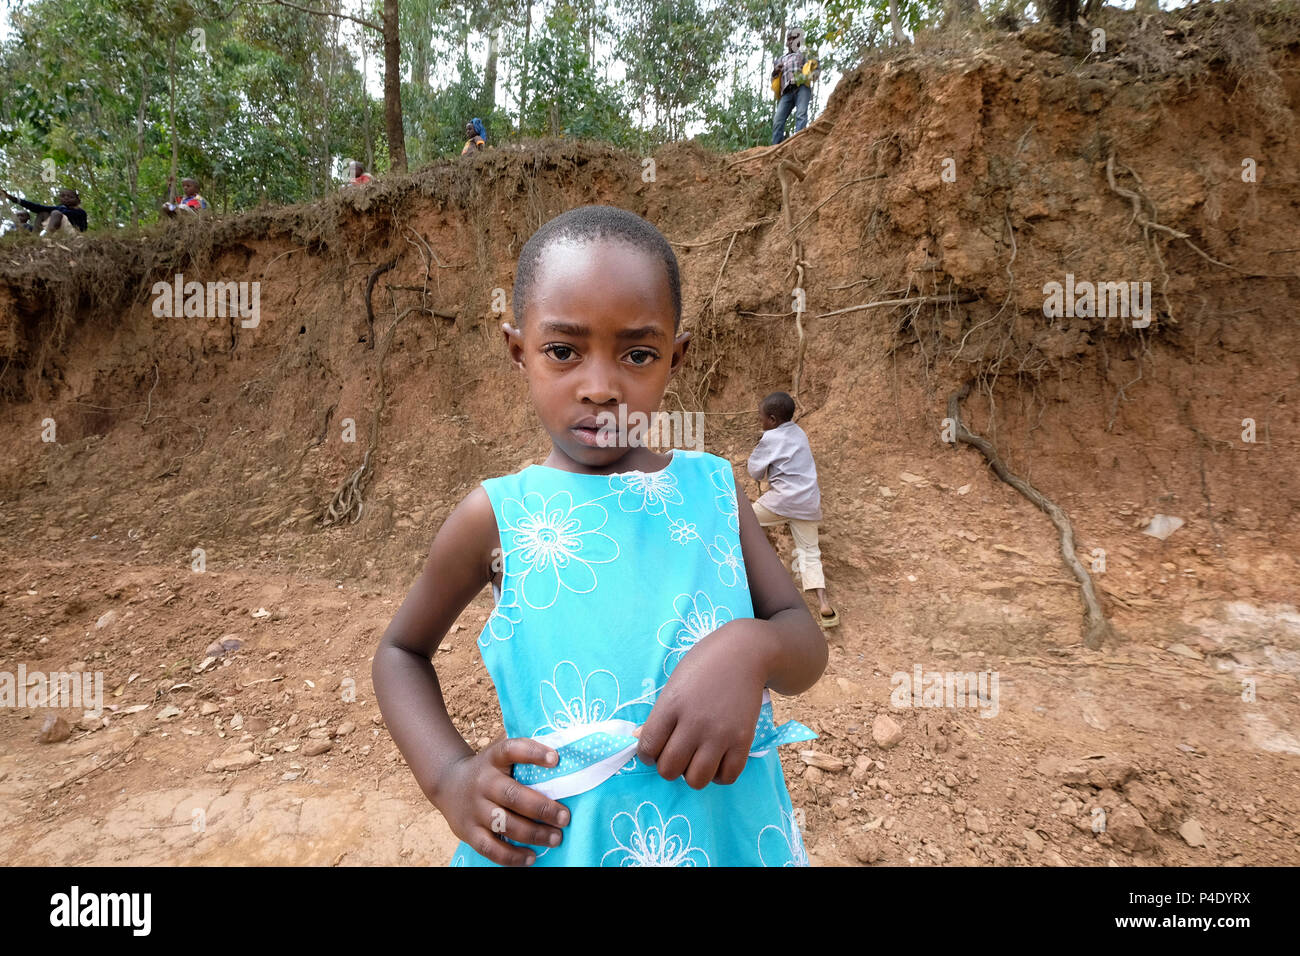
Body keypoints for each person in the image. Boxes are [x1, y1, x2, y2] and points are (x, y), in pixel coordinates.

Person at [372, 205, 827, 867]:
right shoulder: (498, 516)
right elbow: (399, 653)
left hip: (728, 834)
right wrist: (449, 778)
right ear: (518, 350)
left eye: (637, 355)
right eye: (563, 351)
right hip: (567, 845)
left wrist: (752, 644)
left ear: (676, 358)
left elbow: (804, 647)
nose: (600, 387)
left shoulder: (712, 490)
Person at [747, 392, 838, 627]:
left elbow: (754, 472)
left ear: (774, 419)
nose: (761, 422)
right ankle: (823, 603)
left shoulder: (770, 438)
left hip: (782, 501)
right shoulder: (799, 433)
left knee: (744, 519)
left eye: (762, 418)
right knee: (809, 552)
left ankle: (750, 577)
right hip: (808, 503)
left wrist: (762, 446)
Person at [769, 27, 819, 145]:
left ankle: (798, 144)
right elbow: (774, 79)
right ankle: (775, 147)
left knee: (801, 114)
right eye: (789, 39)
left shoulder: (804, 53)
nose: (791, 41)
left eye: (794, 38)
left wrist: (814, 74)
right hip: (786, 91)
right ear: (787, 42)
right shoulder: (781, 59)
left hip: (802, 87)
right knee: (777, 120)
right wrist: (775, 71)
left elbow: (815, 66)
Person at [2, 187, 87, 235]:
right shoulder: (60, 208)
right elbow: (37, 207)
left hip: (73, 233)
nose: (66, 198)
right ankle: (34, 237)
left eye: (70, 197)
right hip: (59, 231)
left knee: (55, 213)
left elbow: (83, 228)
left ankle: (47, 237)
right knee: (42, 212)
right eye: (63, 196)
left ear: (78, 201)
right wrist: (10, 197)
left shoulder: (81, 212)